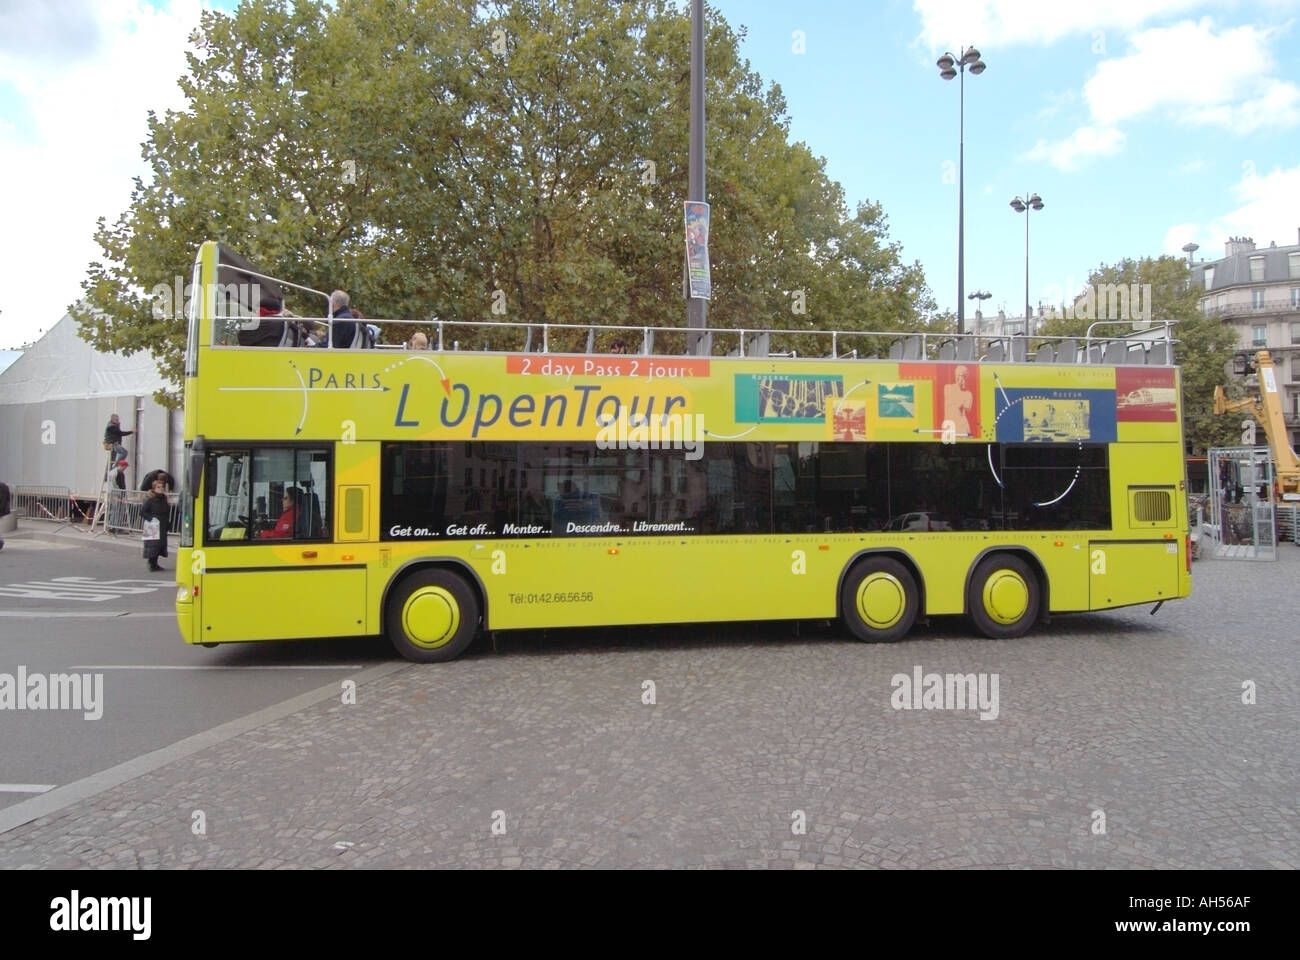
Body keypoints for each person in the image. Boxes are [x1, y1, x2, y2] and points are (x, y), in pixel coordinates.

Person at [140, 477, 170, 571]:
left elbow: (166, 512)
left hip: (162, 524)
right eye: (158, 487)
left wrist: (168, 523)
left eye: (162, 487)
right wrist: (151, 519)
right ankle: (151, 563)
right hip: (152, 524)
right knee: (152, 545)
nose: (161, 489)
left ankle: (155, 563)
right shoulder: (150, 499)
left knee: (159, 545)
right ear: (154, 488)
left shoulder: (164, 499)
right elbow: (142, 512)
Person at [942, 365, 973, 438]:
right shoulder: (947, 388)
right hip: (950, 424)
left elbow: (968, 408)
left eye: (962, 375)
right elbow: (952, 402)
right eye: (958, 375)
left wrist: (962, 388)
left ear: (965, 377)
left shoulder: (968, 394)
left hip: (962, 426)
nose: (959, 378)